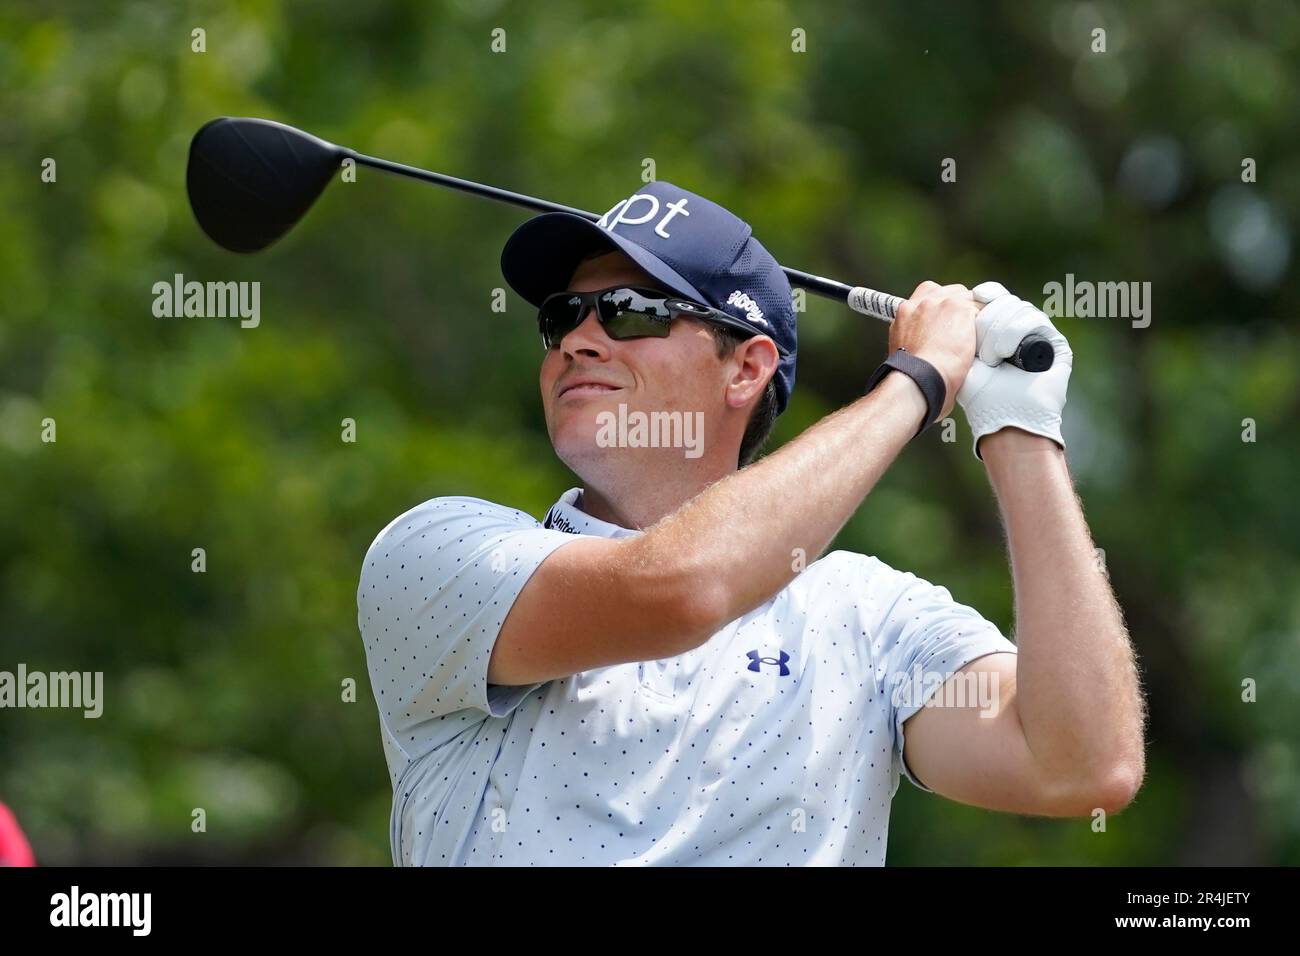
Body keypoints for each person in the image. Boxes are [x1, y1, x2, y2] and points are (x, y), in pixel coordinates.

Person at [357, 181, 1146, 866]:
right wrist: (915, 384)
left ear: (746, 368)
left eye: (630, 312)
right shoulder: (440, 557)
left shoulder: (868, 617)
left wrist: (1020, 429)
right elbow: (682, 589)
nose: (580, 339)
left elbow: (1080, 764)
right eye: (563, 317)